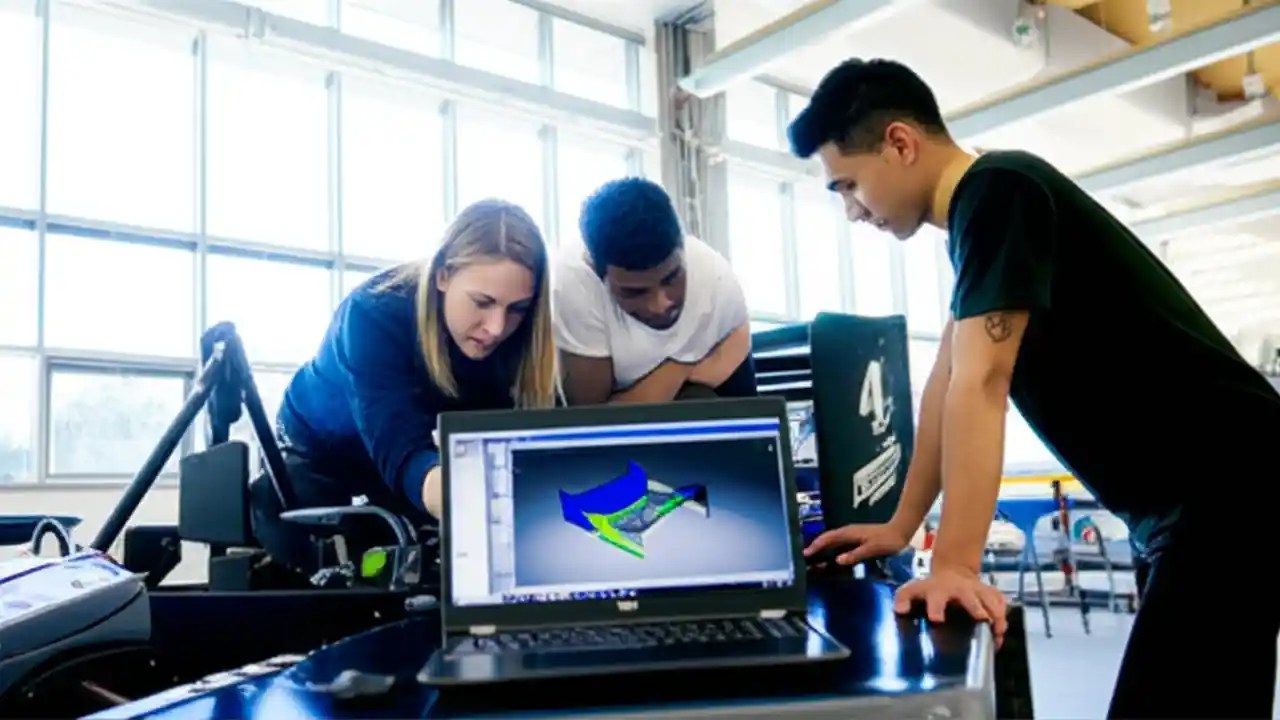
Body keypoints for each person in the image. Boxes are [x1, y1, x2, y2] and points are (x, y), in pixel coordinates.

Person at [789, 58, 1280, 718]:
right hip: (1195, 503)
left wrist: (957, 566)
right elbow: (948, 380)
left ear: (900, 143)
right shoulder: (984, 216)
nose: (852, 211)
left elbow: (983, 383)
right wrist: (903, 525)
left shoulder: (1000, 190)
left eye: (848, 185)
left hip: (1230, 486)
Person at [254, 199, 558, 573]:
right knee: (338, 570)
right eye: (483, 302)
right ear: (443, 275)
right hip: (320, 450)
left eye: (516, 309)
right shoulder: (371, 313)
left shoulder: (512, 333)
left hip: (416, 451)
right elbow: (401, 449)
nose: (496, 328)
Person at [554, 177, 757, 405]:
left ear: (683, 247)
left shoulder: (716, 280)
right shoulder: (572, 283)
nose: (661, 305)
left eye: (672, 278)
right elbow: (593, 421)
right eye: (634, 292)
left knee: (698, 399)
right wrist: (679, 368)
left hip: (701, 401)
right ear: (595, 270)